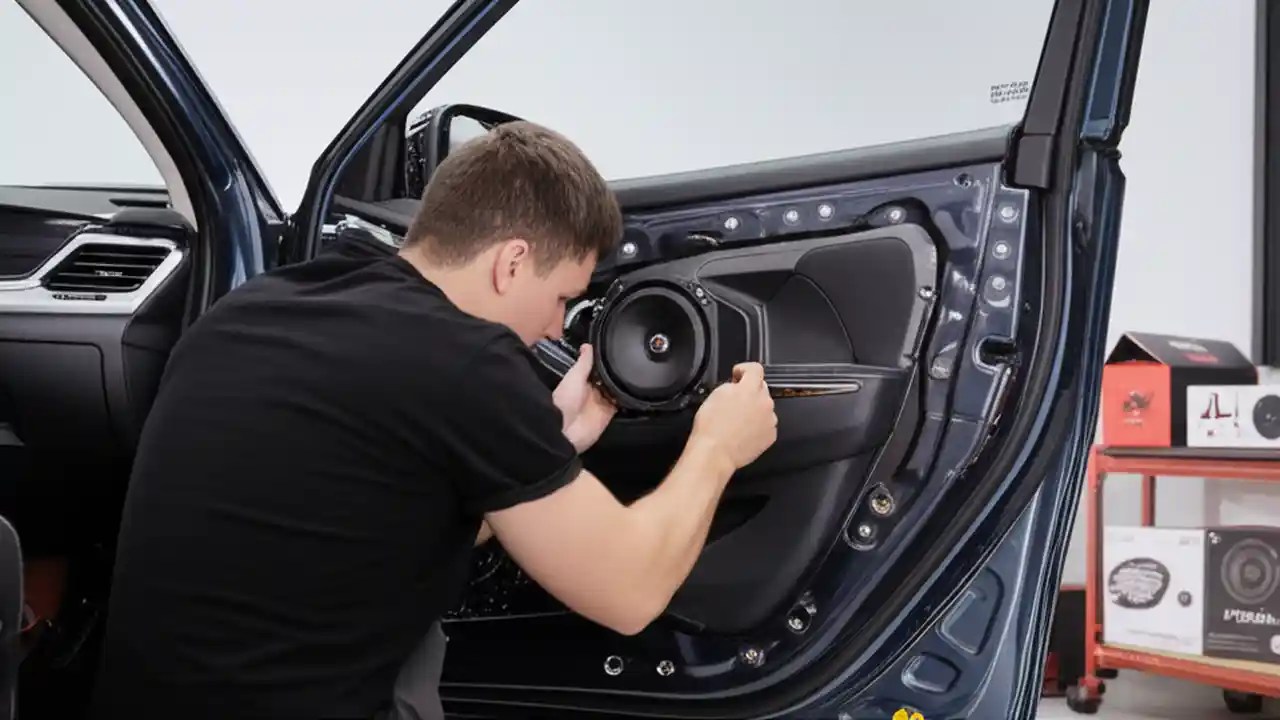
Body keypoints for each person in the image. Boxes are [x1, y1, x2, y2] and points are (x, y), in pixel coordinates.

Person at [90, 121, 778, 719]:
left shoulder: (262, 306)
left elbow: (363, 520)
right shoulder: (465, 359)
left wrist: (556, 443)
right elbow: (629, 593)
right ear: (511, 262)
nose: (552, 328)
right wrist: (718, 445)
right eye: (562, 296)